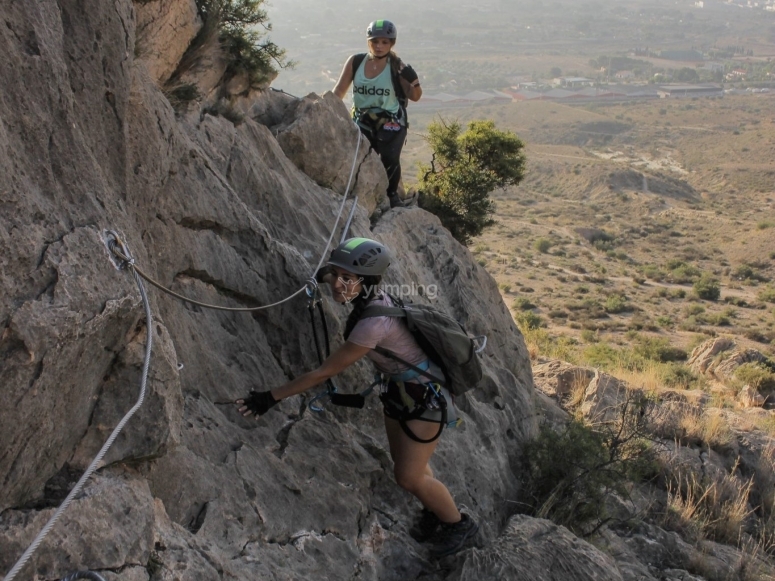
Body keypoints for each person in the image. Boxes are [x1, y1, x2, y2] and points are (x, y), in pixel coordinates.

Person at [236, 238, 478, 558]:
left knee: (408, 476)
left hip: (425, 400)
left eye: (347, 278)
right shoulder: (367, 295)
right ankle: (434, 509)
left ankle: (458, 525)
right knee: (411, 467)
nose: (338, 284)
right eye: (337, 275)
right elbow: (335, 277)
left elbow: (323, 373)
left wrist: (270, 397)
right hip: (403, 395)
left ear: (366, 281)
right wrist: (325, 274)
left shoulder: (373, 324)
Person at [333, 20, 422, 209]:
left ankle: (392, 196)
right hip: (362, 118)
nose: (379, 46)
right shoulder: (356, 62)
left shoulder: (396, 66)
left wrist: (413, 80)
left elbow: (415, 96)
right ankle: (361, 195)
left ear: (391, 44)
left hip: (391, 119)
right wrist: (326, 107)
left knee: (389, 158)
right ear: (368, 42)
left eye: (384, 42)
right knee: (359, 159)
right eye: (375, 41)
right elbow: (339, 90)